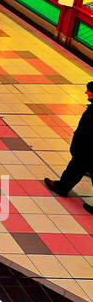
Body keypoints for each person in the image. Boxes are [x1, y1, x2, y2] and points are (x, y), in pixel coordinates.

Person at [45, 80, 93, 212]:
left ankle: (62, 187)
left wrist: (76, 148)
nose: (86, 92)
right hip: (87, 151)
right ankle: (62, 186)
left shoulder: (92, 113)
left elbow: (85, 134)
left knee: (76, 167)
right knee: (77, 168)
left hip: (86, 150)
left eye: (90, 91)